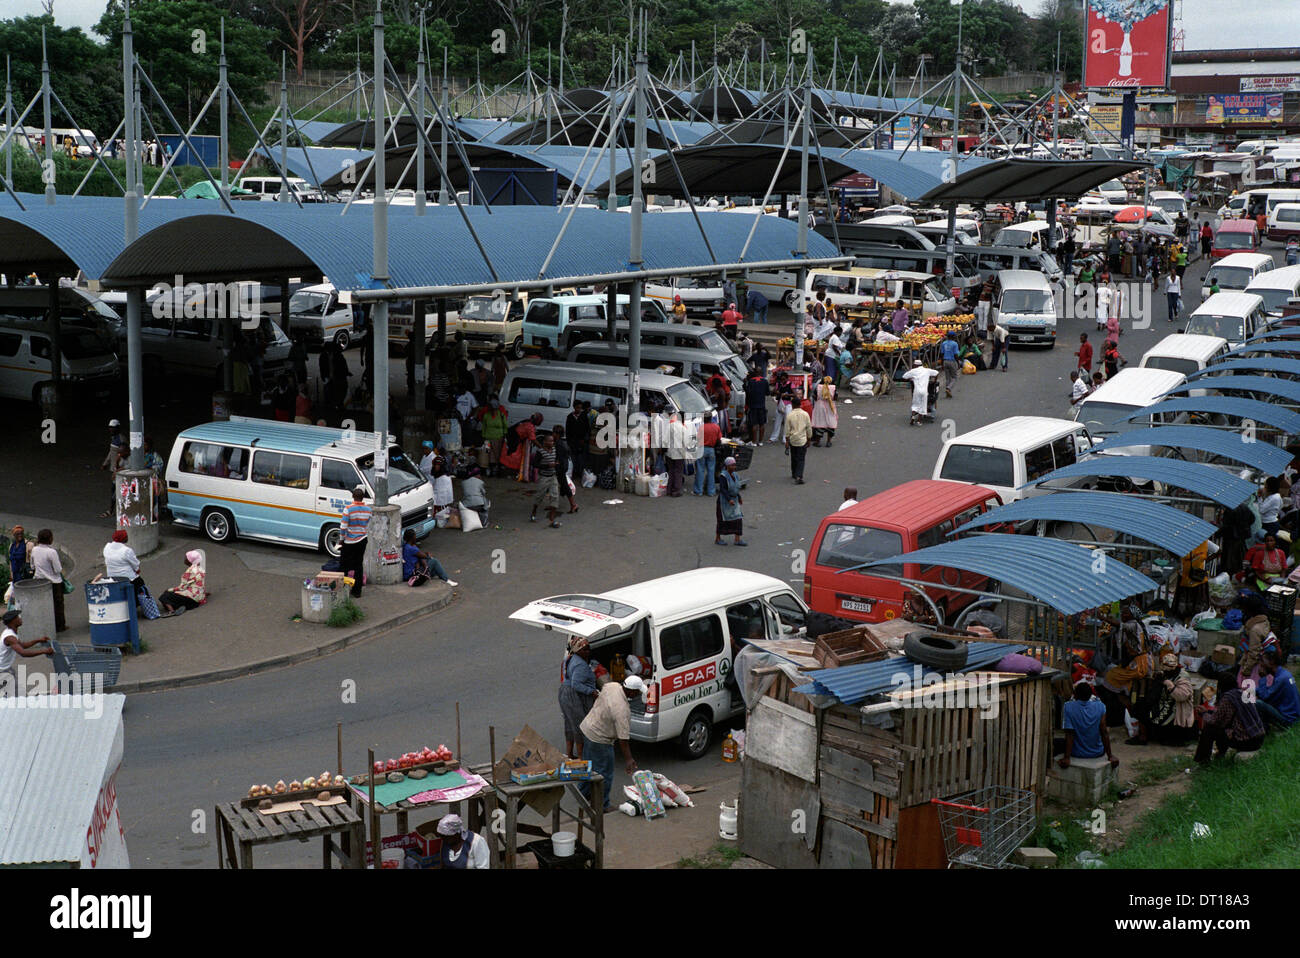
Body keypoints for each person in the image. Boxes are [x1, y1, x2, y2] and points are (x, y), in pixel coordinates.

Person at [579, 675, 643, 812]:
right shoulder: (622, 710)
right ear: (631, 692)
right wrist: (629, 759)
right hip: (600, 739)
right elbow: (623, 740)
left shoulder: (612, 686)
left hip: (588, 728)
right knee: (604, 774)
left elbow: (601, 690)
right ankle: (602, 806)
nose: (639, 694)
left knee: (588, 767)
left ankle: (582, 795)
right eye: (638, 692)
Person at [1195, 675, 1265, 764]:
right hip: (1258, 738)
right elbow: (1224, 715)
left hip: (1247, 741)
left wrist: (1204, 714)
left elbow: (1216, 721)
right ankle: (1220, 754)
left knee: (1210, 728)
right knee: (1222, 728)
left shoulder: (1228, 698)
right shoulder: (1243, 693)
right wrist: (1208, 712)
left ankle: (1203, 760)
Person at [1129, 653, 1195, 745]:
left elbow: (1182, 696)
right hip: (1162, 704)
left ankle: (1148, 736)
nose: (1166, 672)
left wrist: (1170, 685)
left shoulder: (1182, 677)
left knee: (1163, 732)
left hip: (1175, 710)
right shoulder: (1164, 674)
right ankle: (1143, 736)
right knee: (1141, 707)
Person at [1058, 682, 1118, 769]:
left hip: (1076, 753)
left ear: (1075, 695)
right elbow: (1104, 731)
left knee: (1057, 742)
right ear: (1090, 695)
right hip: (1097, 752)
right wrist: (1110, 756)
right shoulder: (1101, 706)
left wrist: (1067, 758)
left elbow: (1070, 733)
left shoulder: (1068, 707)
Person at [558, 637, 599, 759]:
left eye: (588, 649)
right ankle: (582, 757)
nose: (588, 651)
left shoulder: (570, 658)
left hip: (564, 692)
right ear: (577, 651)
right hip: (571, 695)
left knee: (569, 723)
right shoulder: (580, 665)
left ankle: (570, 754)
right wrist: (592, 692)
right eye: (584, 649)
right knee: (579, 725)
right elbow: (576, 684)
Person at [0, 609, 53, 680]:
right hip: (2, 670)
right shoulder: (10, 637)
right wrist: (44, 651)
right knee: (15, 689)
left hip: (5, 668)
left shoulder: (11, 633)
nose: (20, 618)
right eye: (17, 617)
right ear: (12, 621)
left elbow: (23, 646)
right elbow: (23, 653)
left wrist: (38, 640)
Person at [30, 529, 65, 633]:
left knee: (43, 605)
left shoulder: (34, 550)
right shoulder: (51, 552)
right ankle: (59, 626)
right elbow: (58, 569)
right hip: (54, 582)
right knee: (58, 605)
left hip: (39, 581)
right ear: (49, 539)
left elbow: (32, 566)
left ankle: (45, 625)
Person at [339, 487, 371, 599]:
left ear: (353, 496)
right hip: (362, 539)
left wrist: (341, 539)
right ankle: (357, 591)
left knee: (344, 565)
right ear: (362, 497)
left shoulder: (348, 509)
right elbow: (366, 523)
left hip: (349, 541)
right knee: (358, 565)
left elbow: (343, 527)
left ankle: (343, 589)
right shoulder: (368, 509)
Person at [103, 530, 147, 606]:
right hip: (127, 577)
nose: (127, 537)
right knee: (140, 583)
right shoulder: (127, 550)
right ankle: (136, 604)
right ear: (123, 539)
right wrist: (137, 570)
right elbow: (135, 563)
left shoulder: (107, 547)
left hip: (112, 576)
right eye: (126, 536)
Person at [529, 433, 562, 528]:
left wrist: (557, 464)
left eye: (553, 441)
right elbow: (535, 464)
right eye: (550, 441)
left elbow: (557, 459)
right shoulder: (540, 452)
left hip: (553, 476)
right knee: (539, 495)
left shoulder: (555, 450)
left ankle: (552, 517)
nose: (552, 443)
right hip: (544, 477)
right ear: (545, 442)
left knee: (555, 496)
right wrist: (548, 466)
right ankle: (534, 510)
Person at [715, 456, 746, 547]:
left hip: (734, 500)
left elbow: (736, 487)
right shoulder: (723, 476)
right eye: (732, 465)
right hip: (724, 502)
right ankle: (718, 538)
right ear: (727, 466)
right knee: (722, 520)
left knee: (738, 519)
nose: (734, 467)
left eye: (734, 465)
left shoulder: (735, 475)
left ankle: (737, 539)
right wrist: (729, 499)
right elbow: (723, 489)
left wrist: (739, 497)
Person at [902, 359, 939, 426]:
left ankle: (913, 417)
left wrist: (911, 379)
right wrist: (934, 381)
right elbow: (936, 373)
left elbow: (904, 377)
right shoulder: (927, 370)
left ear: (915, 365)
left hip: (916, 391)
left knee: (915, 405)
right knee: (922, 406)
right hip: (924, 391)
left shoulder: (913, 371)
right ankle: (919, 421)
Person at [785, 398, 813, 484]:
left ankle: (794, 473)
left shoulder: (789, 415)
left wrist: (787, 441)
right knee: (801, 458)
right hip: (802, 440)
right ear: (800, 404)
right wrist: (809, 439)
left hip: (793, 440)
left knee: (794, 457)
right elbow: (808, 428)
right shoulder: (805, 414)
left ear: (792, 405)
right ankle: (799, 476)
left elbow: (787, 430)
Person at [693, 411, 722, 496]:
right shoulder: (716, 427)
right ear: (710, 418)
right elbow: (719, 439)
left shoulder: (701, 427)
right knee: (711, 471)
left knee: (700, 470)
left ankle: (699, 491)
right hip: (711, 450)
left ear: (704, 419)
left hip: (701, 449)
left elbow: (697, 439)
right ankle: (711, 491)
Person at [552, 425, 578, 513]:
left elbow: (558, 457)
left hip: (560, 468)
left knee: (564, 486)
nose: (553, 435)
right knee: (559, 485)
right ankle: (554, 504)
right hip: (564, 467)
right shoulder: (563, 442)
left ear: (557, 434)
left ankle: (573, 505)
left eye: (554, 433)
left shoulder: (558, 444)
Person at [743, 366, 769, 446]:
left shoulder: (751, 381)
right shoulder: (765, 381)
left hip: (753, 405)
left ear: (755, 373)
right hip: (761, 405)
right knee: (762, 424)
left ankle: (754, 442)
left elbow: (748, 392)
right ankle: (760, 442)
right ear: (761, 373)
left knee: (754, 424)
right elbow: (767, 393)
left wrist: (745, 383)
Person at [811, 376, 837, 447]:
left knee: (820, 423)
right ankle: (829, 441)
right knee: (830, 423)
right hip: (830, 406)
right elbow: (835, 397)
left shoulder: (818, 387)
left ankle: (818, 442)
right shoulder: (834, 388)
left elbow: (814, 396)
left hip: (820, 406)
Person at [939, 331, 961, 399]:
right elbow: (956, 354)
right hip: (952, 361)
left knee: (947, 378)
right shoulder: (955, 344)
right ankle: (949, 388)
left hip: (945, 361)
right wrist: (958, 363)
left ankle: (947, 392)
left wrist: (942, 363)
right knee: (954, 377)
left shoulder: (944, 343)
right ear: (953, 337)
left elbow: (942, 354)